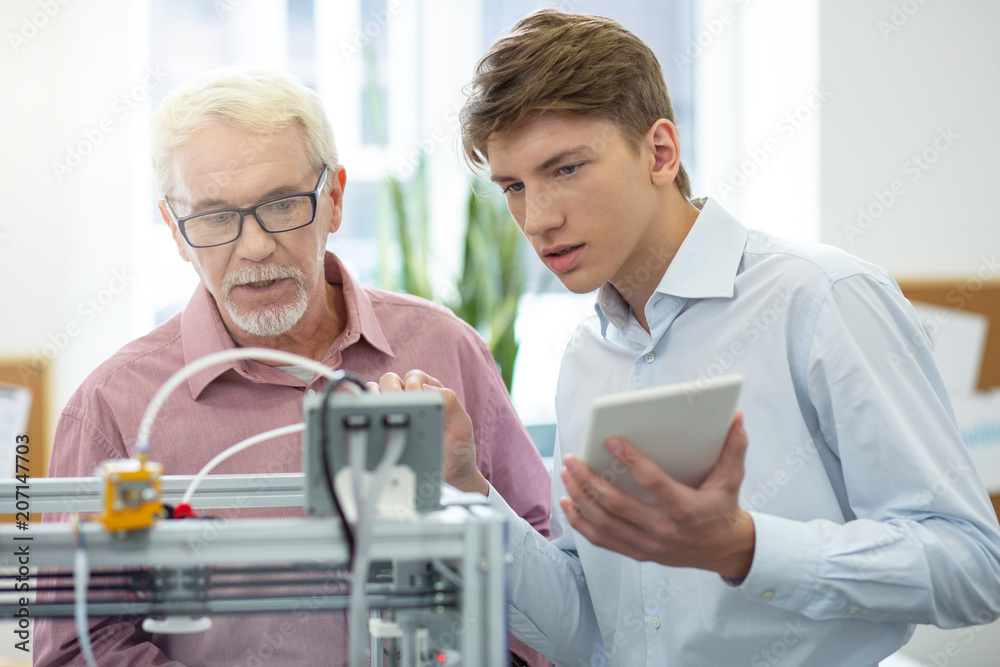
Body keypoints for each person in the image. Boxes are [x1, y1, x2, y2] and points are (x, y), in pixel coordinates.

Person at [448, 9, 1000, 666]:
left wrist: (743, 546)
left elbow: (975, 566)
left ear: (660, 153)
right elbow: (590, 630)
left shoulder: (821, 298)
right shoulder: (585, 357)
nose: (537, 219)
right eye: (514, 186)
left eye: (566, 169)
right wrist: (467, 489)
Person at [35, 68, 552, 667]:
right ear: (176, 231)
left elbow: (542, 571)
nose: (254, 247)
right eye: (214, 217)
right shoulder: (113, 409)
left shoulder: (445, 347)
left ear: (334, 200)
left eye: (282, 204)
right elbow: (75, 648)